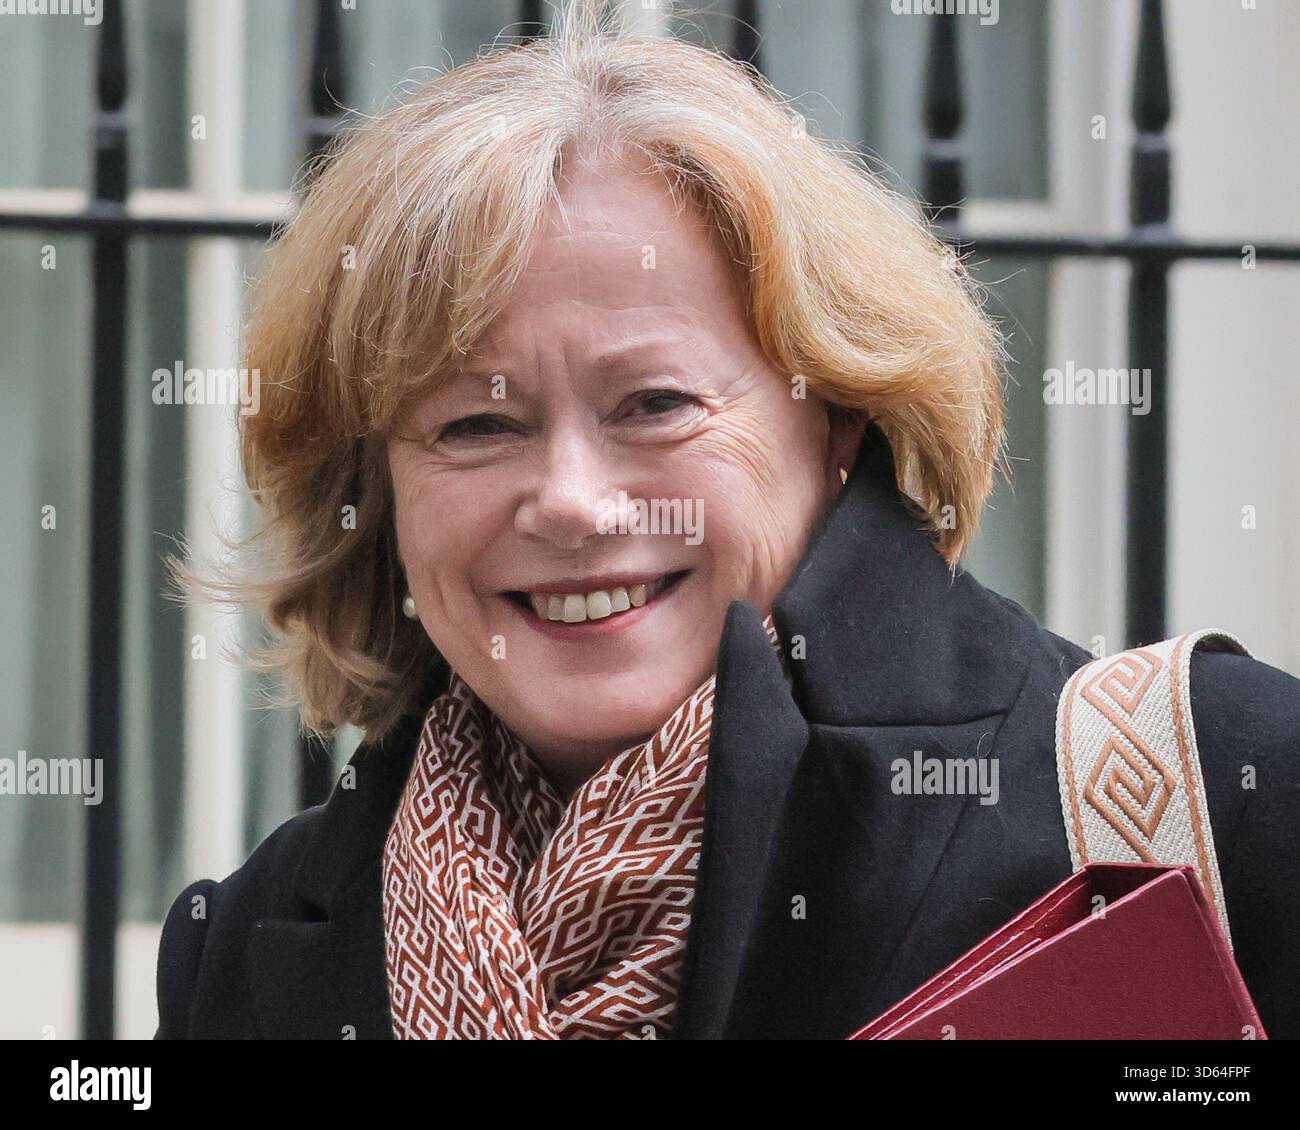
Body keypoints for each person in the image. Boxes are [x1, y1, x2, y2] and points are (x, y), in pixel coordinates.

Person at [155, 0, 1300, 1040]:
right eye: (471, 425)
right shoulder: (241, 961)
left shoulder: (1222, 794)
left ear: (840, 414)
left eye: (654, 403)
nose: (569, 497)